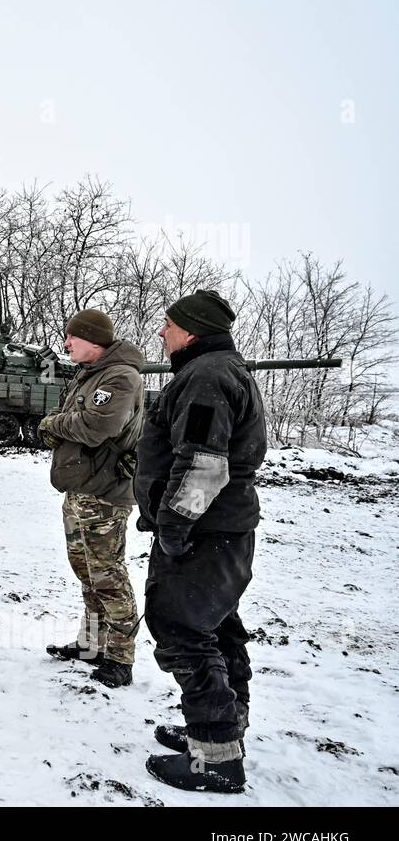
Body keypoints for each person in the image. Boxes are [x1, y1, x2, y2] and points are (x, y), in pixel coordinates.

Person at [136, 290, 265, 793]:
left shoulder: (207, 377)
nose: (162, 334)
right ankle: (221, 731)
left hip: (203, 533)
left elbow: (203, 464)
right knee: (215, 625)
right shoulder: (218, 369)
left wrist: (172, 527)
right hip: (222, 530)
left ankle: (216, 758)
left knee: (182, 631)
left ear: (190, 330)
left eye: (167, 325)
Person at [37, 309, 145, 689]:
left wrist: (52, 424)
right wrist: (63, 424)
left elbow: (98, 426)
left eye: (72, 337)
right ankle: (92, 645)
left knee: (108, 575)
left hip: (104, 492)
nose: (65, 344)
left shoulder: (120, 376)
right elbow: (79, 418)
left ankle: (119, 656)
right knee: (87, 574)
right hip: (82, 488)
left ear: (93, 340)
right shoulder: (92, 374)